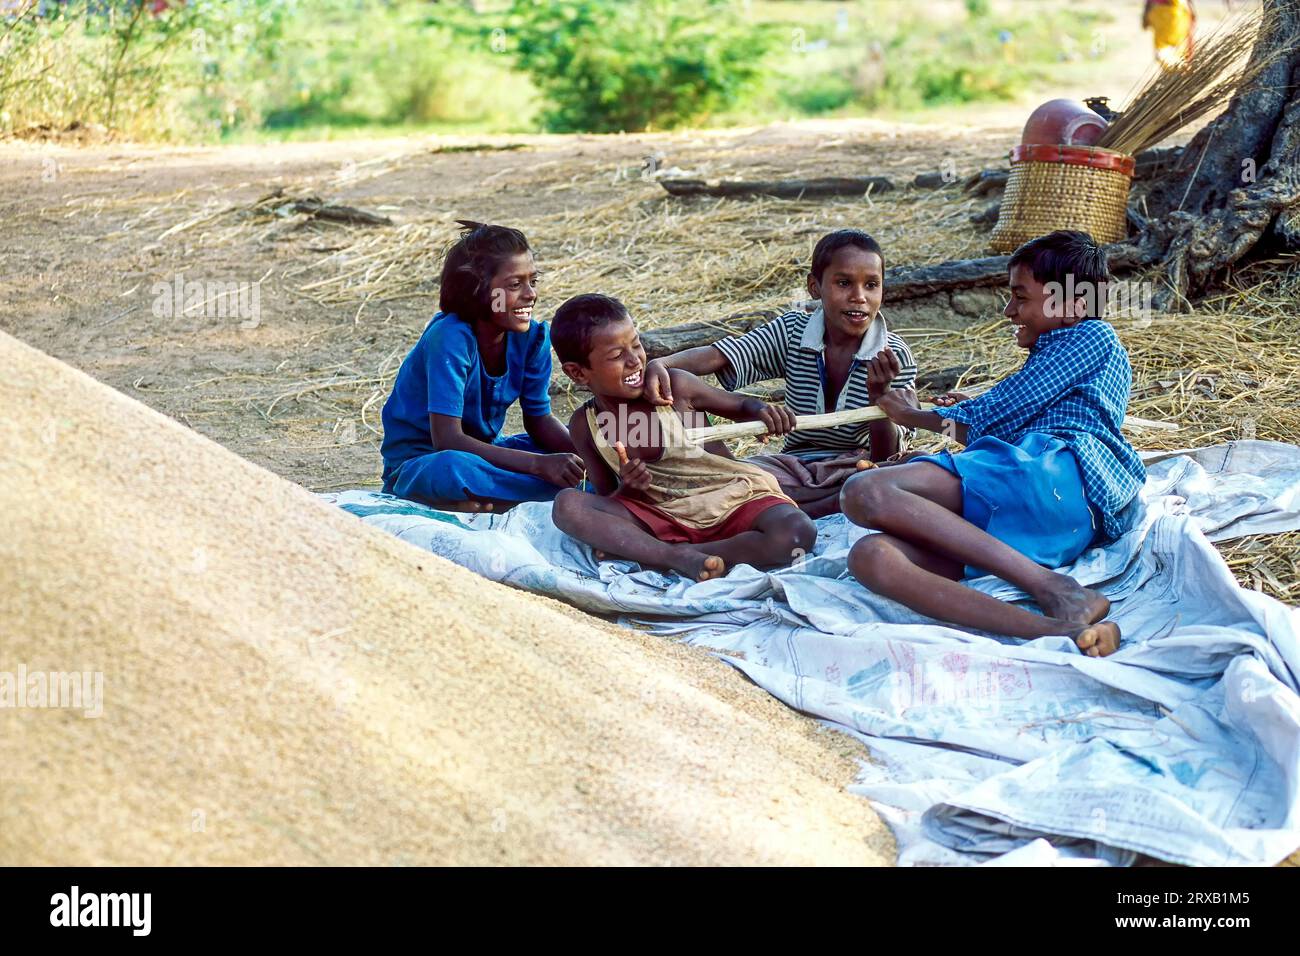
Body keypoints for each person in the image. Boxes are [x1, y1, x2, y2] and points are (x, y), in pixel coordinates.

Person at [840, 231, 1146, 657]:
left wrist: (912, 416)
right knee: (871, 556)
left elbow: (991, 418)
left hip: (1056, 478)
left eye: (1020, 298)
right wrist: (958, 413)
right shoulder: (1060, 353)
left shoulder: (1091, 335)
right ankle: (1058, 630)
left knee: (865, 492)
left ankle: (1050, 586)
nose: (1009, 311)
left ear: (1072, 303)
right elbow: (992, 420)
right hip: (1037, 521)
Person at [640, 230, 917, 517]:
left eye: (871, 285)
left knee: (889, 478)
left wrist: (879, 397)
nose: (859, 297)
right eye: (844, 283)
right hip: (792, 469)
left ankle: (767, 501)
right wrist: (662, 364)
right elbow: (718, 355)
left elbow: (886, 455)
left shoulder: (893, 356)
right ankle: (765, 496)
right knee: (676, 384)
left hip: (857, 470)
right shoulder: (793, 331)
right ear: (815, 287)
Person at [549, 293, 816, 582]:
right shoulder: (584, 425)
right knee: (567, 505)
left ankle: (667, 555)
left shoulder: (675, 387)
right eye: (616, 355)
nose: (634, 360)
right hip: (662, 514)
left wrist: (764, 411)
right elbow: (607, 501)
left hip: (733, 497)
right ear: (577, 373)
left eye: (636, 345)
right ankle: (676, 557)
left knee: (797, 534)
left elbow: (740, 406)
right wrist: (628, 488)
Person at [379, 222, 584, 512]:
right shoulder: (449, 338)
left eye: (533, 282)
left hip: (487, 453)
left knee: (565, 453)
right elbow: (447, 439)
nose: (530, 294)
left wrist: (591, 459)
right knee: (452, 469)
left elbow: (539, 420)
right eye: (515, 285)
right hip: (425, 461)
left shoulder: (533, 338)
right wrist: (539, 466)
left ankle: (488, 501)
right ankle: (554, 494)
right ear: (476, 291)